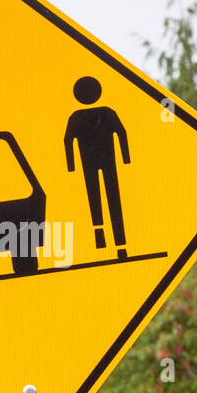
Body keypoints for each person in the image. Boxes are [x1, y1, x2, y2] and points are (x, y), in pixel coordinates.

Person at [63, 76, 130, 258]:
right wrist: (71, 166)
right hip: (102, 162)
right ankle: (109, 239)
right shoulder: (105, 113)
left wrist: (126, 158)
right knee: (106, 198)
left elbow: (68, 140)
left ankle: (113, 240)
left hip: (96, 162)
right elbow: (121, 133)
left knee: (103, 198)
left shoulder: (79, 117)